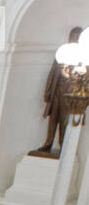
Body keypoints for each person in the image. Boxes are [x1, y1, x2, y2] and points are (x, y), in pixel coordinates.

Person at [34, 27, 83, 155]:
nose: (73, 39)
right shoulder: (62, 53)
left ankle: (62, 144)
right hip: (57, 92)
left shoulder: (82, 58)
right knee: (53, 119)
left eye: (76, 37)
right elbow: (52, 74)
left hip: (70, 95)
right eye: (72, 36)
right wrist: (48, 91)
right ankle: (48, 143)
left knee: (64, 119)